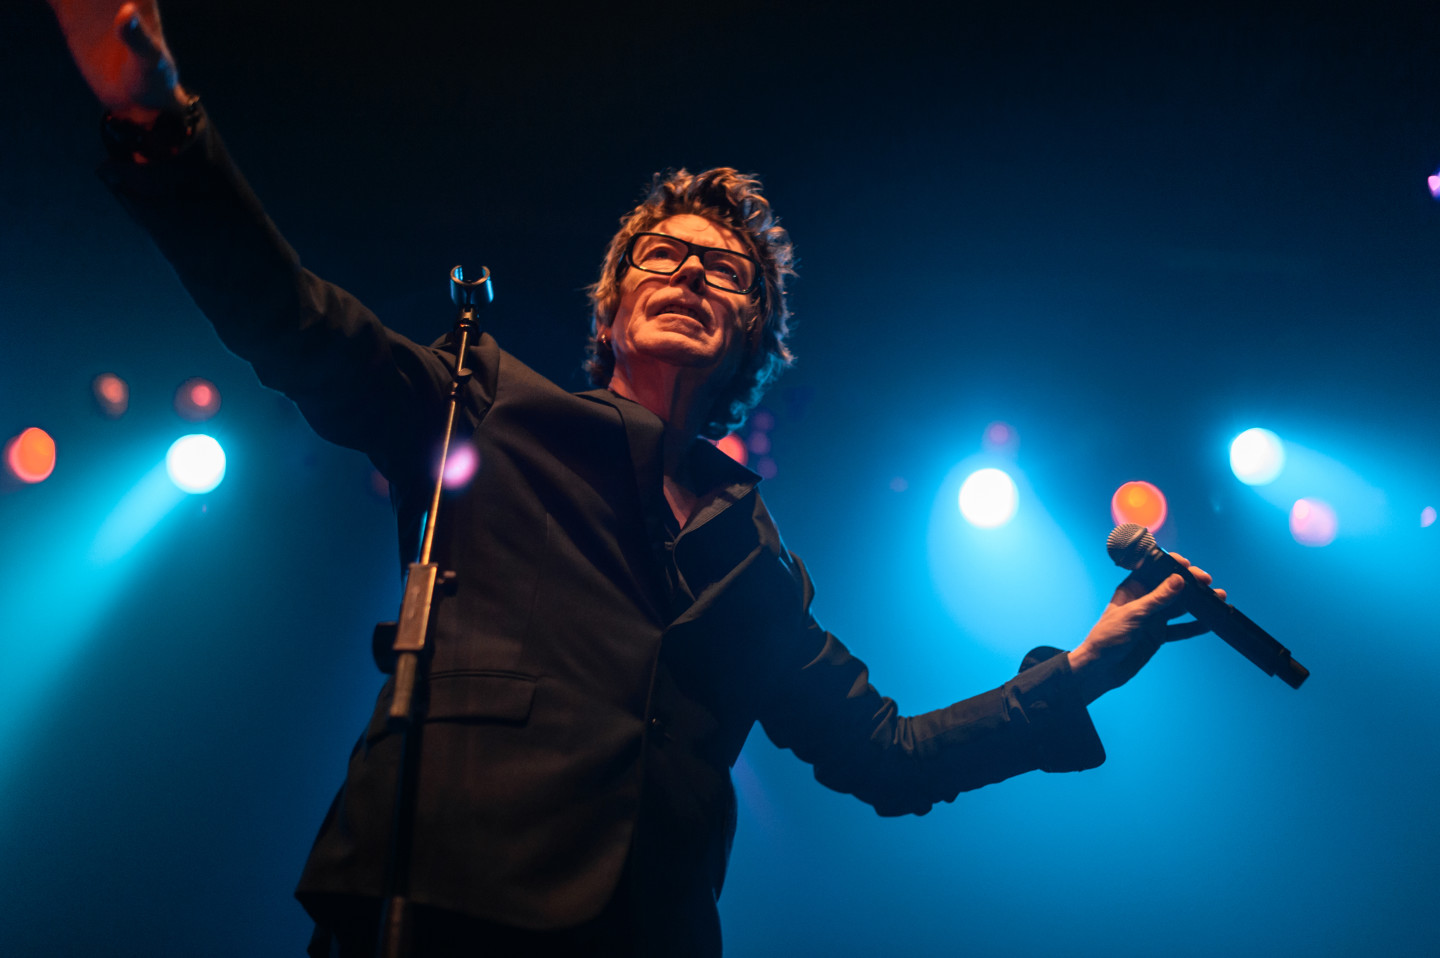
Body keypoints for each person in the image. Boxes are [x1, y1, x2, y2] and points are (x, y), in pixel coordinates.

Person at [48, 3, 1225, 955]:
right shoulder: (490, 403)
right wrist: (157, 123)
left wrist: (1082, 670)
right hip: (439, 910)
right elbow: (295, 320)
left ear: (752, 338)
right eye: (663, 255)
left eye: (725, 272)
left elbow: (887, 756)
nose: (692, 273)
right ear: (611, 307)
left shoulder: (755, 556)